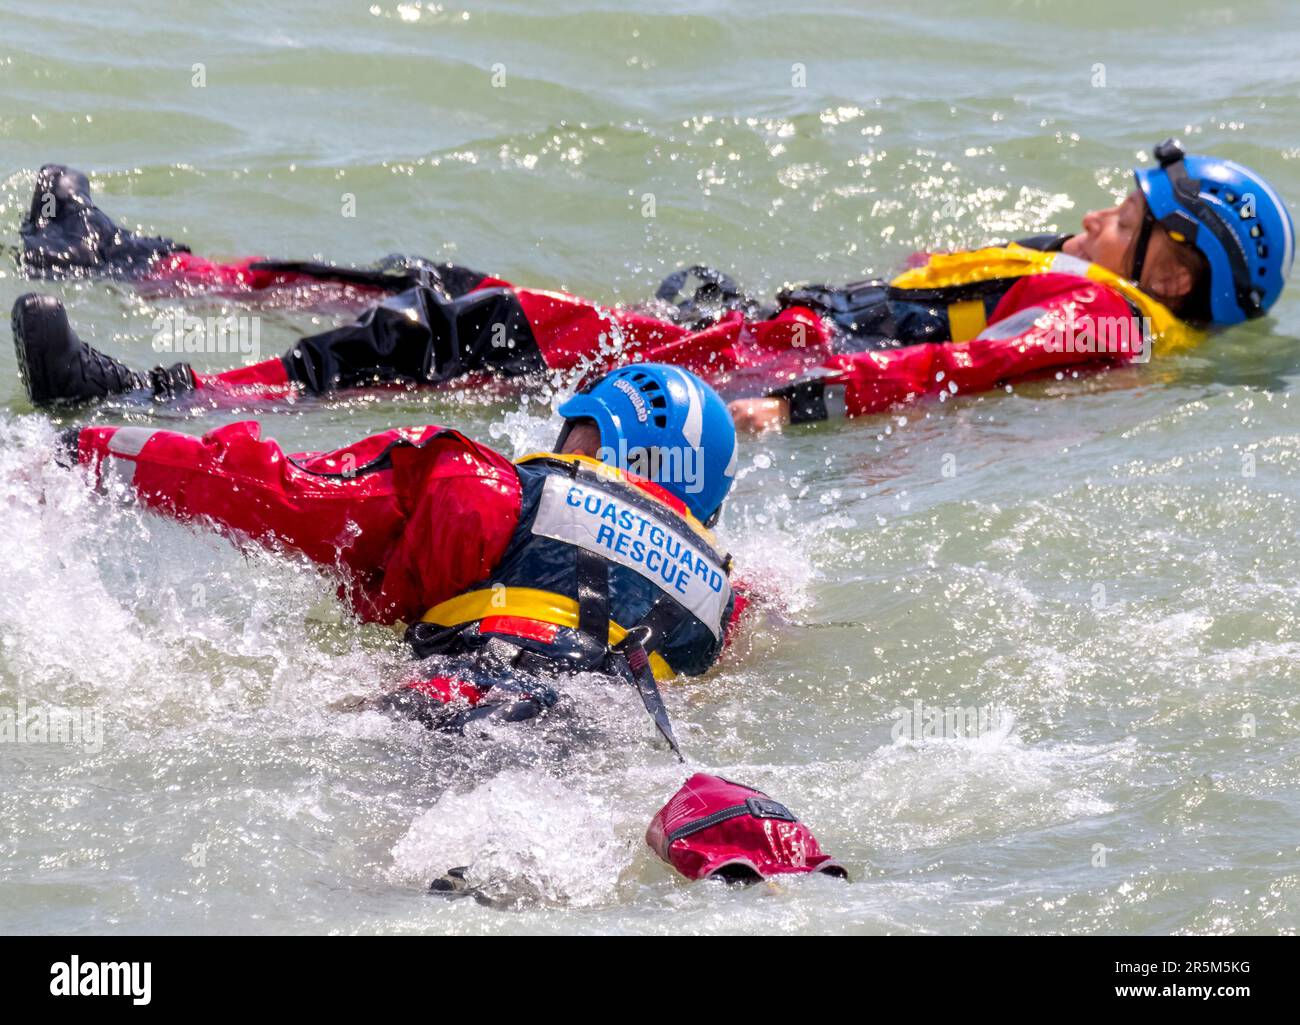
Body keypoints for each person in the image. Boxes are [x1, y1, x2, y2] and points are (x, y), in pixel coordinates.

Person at [40, 358, 841, 882]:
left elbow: (273, 490)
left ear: (603, 438)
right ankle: (720, 823)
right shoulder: (722, 596)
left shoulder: (493, 487)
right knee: (602, 798)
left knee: (439, 853)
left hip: (468, 695)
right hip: (618, 728)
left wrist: (87, 450)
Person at [13, 140, 1291, 421]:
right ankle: (138, 264)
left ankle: (141, 394)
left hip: (751, 373)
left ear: (1166, 263)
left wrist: (796, 405)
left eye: (1120, 214)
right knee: (446, 298)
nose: (1087, 216)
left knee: (453, 326)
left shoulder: (1102, 318)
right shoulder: (1105, 296)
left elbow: (962, 361)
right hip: (740, 337)